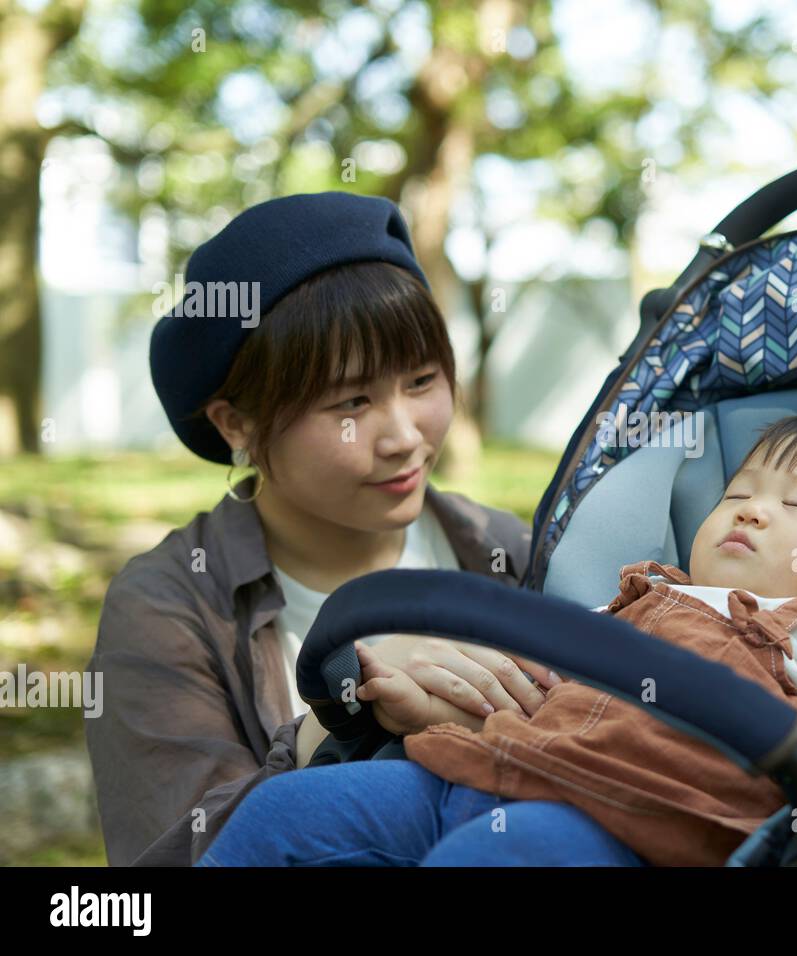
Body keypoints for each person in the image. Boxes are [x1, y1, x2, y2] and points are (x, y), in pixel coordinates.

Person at [86, 192, 627, 866]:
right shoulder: (168, 606)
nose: (404, 438)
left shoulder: (513, 553)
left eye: (423, 380)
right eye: (351, 402)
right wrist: (341, 714)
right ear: (238, 425)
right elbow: (171, 851)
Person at [194, 407, 797, 867]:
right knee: (281, 814)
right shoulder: (638, 600)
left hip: (622, 829)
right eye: (739, 494)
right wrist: (437, 706)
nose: (752, 513)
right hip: (479, 775)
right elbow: (537, 690)